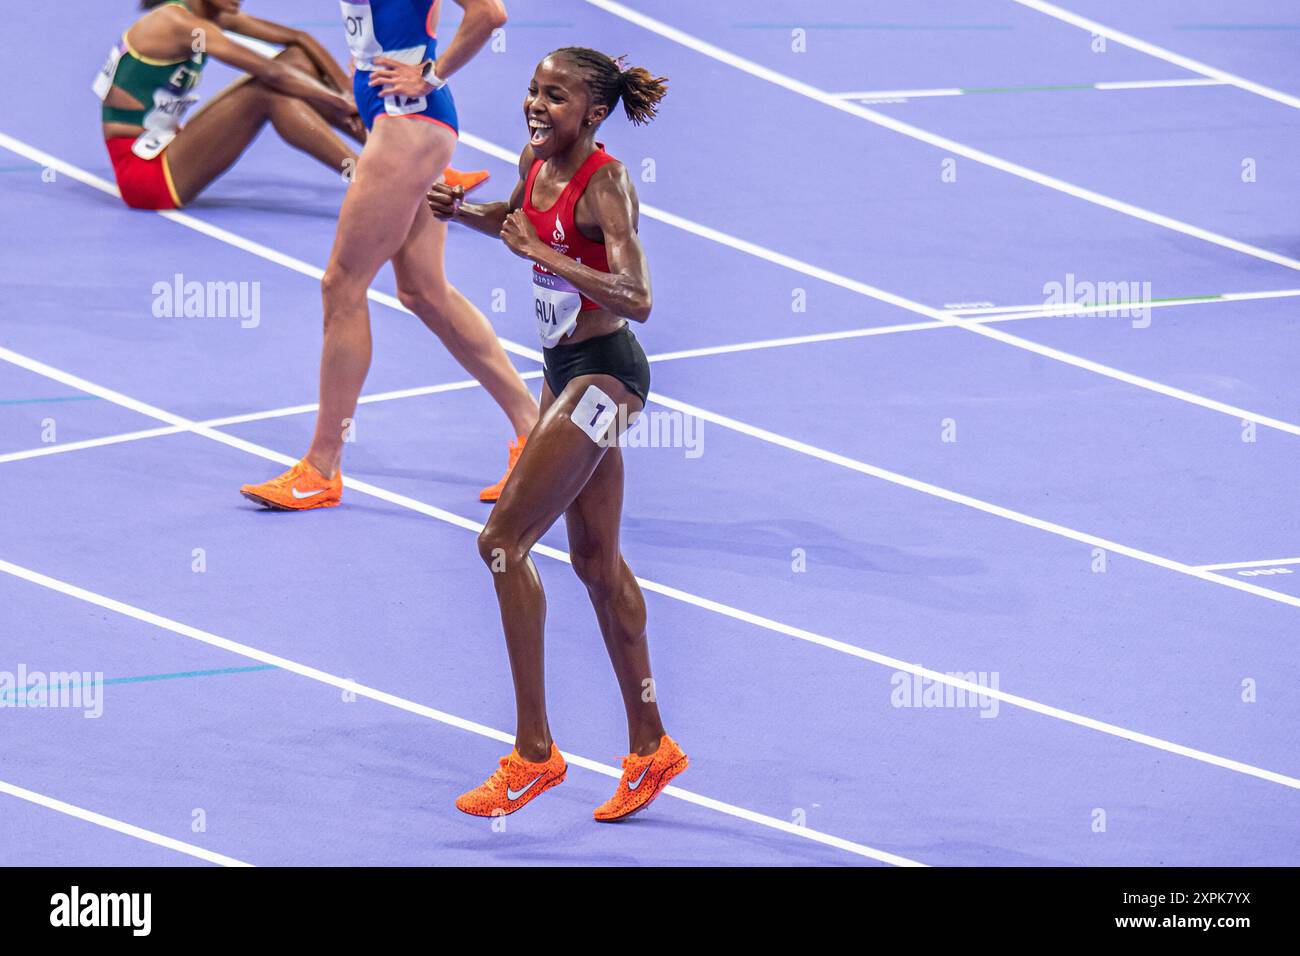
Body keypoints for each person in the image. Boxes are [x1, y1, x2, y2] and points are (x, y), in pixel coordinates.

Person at [428, 48, 686, 821]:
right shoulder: (533, 161)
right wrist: (457, 211)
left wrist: (541, 255)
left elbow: (637, 296)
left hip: (607, 375)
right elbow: (515, 220)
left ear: (596, 113)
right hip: (563, 368)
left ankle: (534, 754)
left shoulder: (606, 181)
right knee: (597, 563)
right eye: (534, 91)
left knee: (502, 541)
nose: (538, 106)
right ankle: (652, 748)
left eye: (557, 97)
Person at [239, 0, 538, 509]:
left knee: (342, 284)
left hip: (410, 124)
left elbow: (489, 13)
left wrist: (430, 74)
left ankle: (321, 467)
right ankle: (534, 433)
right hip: (394, 119)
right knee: (424, 291)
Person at [97, 0, 489, 211]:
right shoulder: (178, 23)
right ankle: (374, 179)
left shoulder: (208, 11)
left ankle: (408, 166)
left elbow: (299, 40)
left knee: (296, 66)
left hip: (168, 145)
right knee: (269, 92)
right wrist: (340, 102)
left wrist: (350, 97)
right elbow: (269, 73)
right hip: (144, 174)